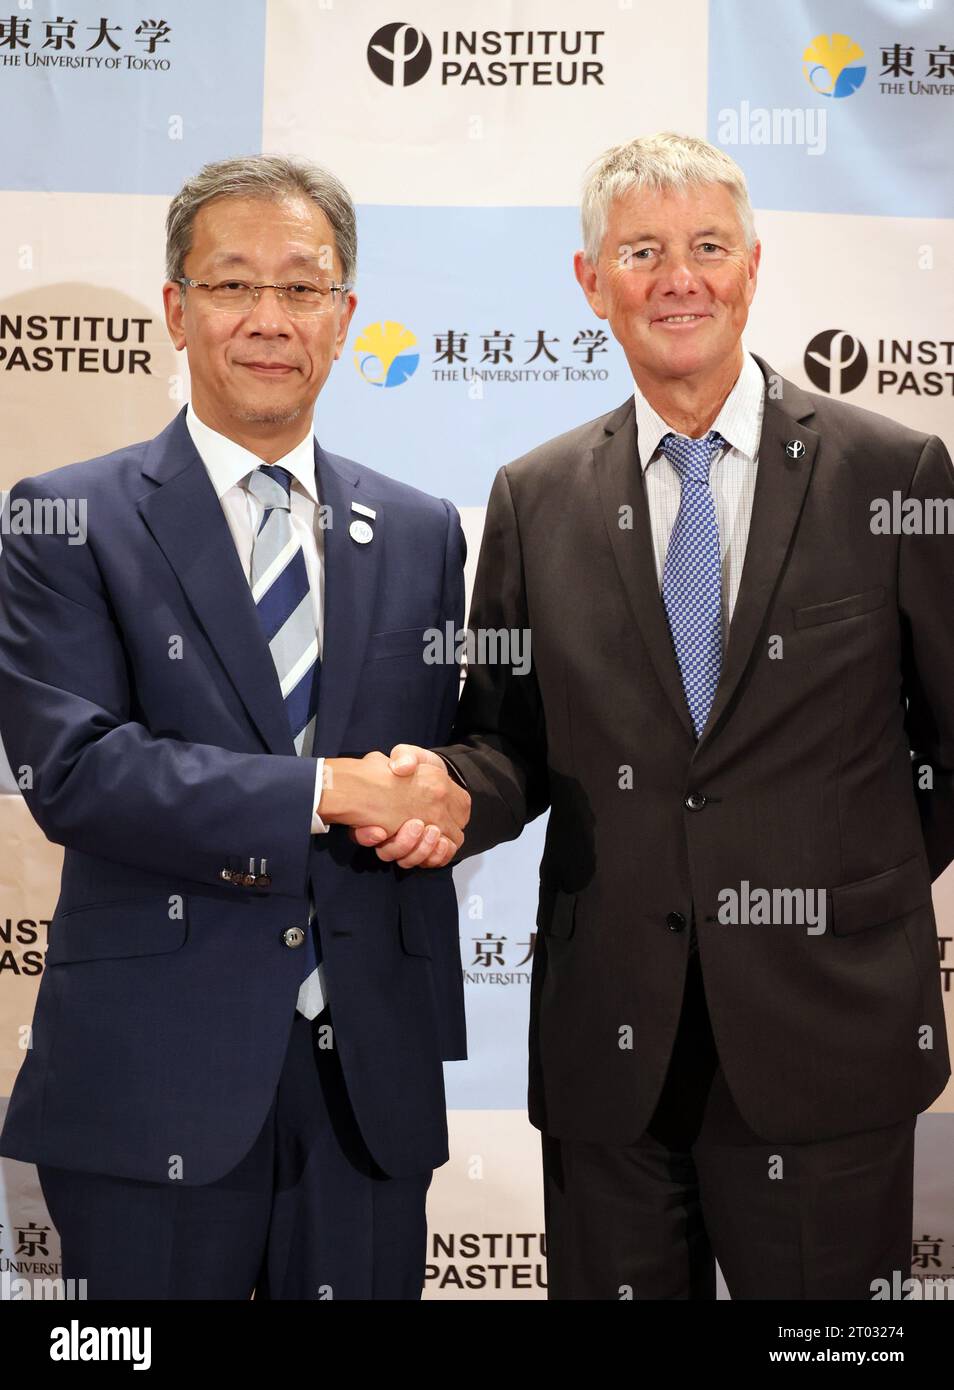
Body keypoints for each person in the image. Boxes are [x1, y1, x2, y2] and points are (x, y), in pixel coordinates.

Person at [354, 132, 954, 1299]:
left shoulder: (896, 475)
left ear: (753, 266)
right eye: (642, 251)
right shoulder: (533, 496)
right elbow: (507, 743)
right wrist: (442, 794)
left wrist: (858, 878)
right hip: (607, 1052)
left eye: (707, 247)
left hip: (826, 1040)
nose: (679, 278)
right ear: (591, 282)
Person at [0, 153, 470, 1300]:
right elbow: (75, 771)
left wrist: (457, 787)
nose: (270, 318)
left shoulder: (420, 531)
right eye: (231, 285)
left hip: (367, 1084)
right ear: (175, 307)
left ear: (346, 315)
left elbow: (452, 754)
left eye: (303, 287)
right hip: (153, 1073)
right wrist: (330, 793)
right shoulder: (66, 517)